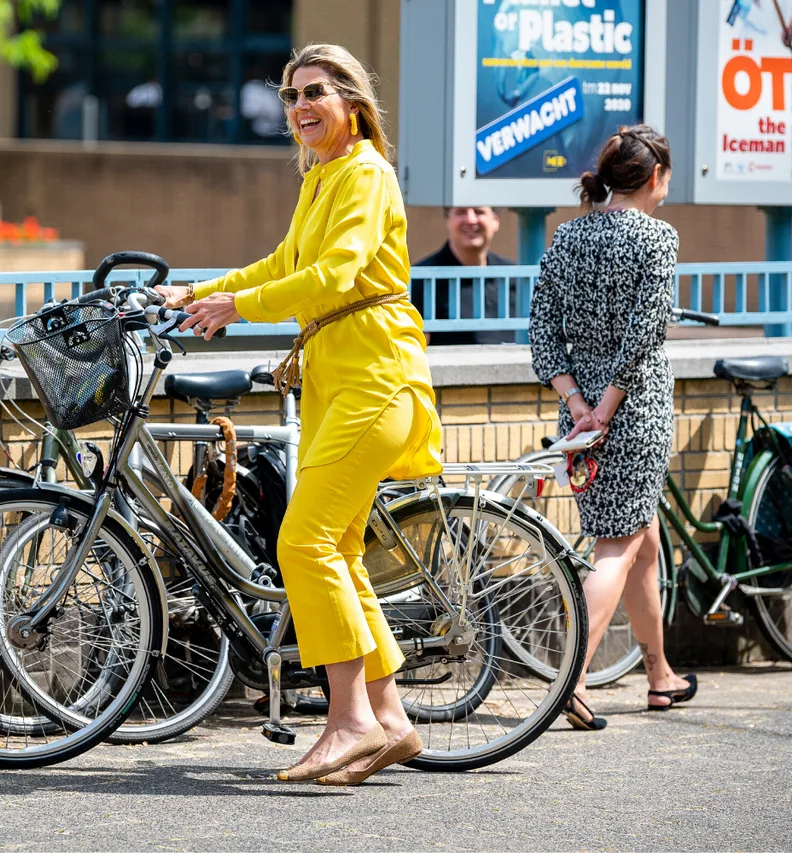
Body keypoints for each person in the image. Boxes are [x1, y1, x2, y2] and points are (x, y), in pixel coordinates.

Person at [156, 43, 441, 785]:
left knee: (304, 541)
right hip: (337, 380)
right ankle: (391, 721)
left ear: (352, 101)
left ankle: (347, 722)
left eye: (315, 91)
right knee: (336, 551)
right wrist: (194, 294)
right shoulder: (322, 178)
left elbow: (334, 274)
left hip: (376, 379)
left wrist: (237, 306)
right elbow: (283, 265)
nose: (299, 106)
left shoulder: (367, 173)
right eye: (290, 95)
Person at [528, 125, 697, 730]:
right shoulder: (658, 238)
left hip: (580, 415)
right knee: (617, 547)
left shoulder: (567, 236)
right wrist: (611, 402)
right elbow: (646, 330)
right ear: (656, 177)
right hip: (636, 409)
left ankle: (659, 675)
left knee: (641, 541)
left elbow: (543, 330)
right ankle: (567, 683)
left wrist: (578, 402)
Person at [410, 206, 515, 346]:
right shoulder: (421, 282)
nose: (470, 220)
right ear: (448, 220)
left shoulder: (515, 277)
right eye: (461, 212)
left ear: (495, 221)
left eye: (479, 212)